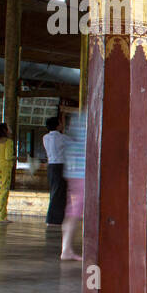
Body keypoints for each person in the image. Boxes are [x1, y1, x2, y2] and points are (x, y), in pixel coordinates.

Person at [60, 111, 87, 262]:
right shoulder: (87, 122)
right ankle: (66, 249)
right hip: (82, 177)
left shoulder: (71, 141)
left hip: (73, 176)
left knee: (72, 212)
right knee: (75, 213)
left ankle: (67, 248)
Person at [42, 114, 68, 226]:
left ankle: (56, 218)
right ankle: (53, 219)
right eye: (60, 123)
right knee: (59, 192)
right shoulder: (62, 138)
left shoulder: (45, 137)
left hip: (51, 166)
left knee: (55, 191)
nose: (62, 125)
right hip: (60, 166)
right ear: (57, 125)